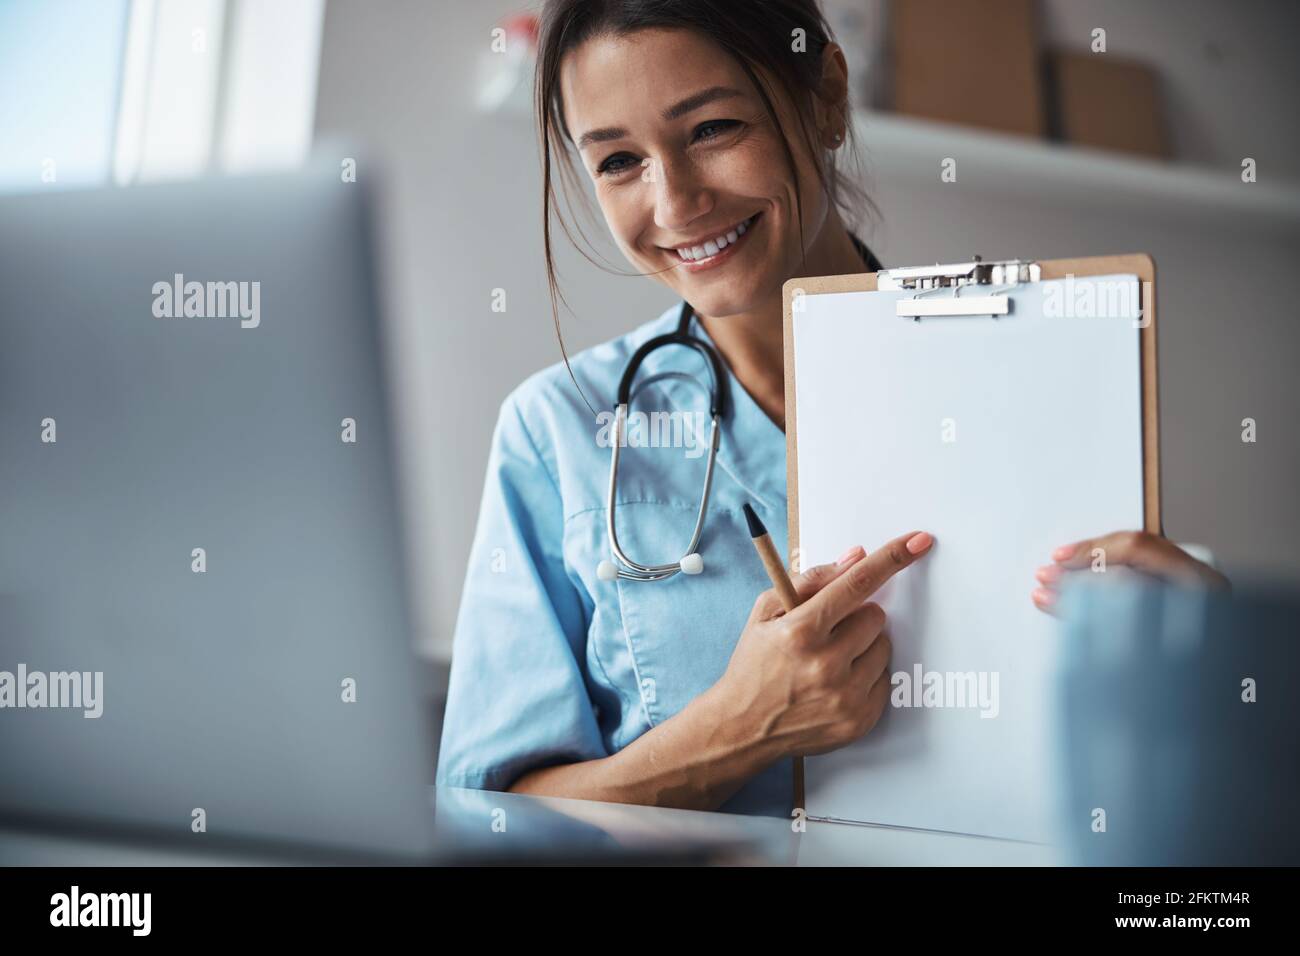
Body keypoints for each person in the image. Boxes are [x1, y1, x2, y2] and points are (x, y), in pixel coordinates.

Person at [435, 0, 1229, 816]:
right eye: (618, 161)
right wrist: (733, 732)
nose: (674, 204)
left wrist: (1211, 669)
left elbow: (1139, 789)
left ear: (827, 96)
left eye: (711, 128)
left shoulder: (1033, 372)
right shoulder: (558, 431)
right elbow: (485, 816)